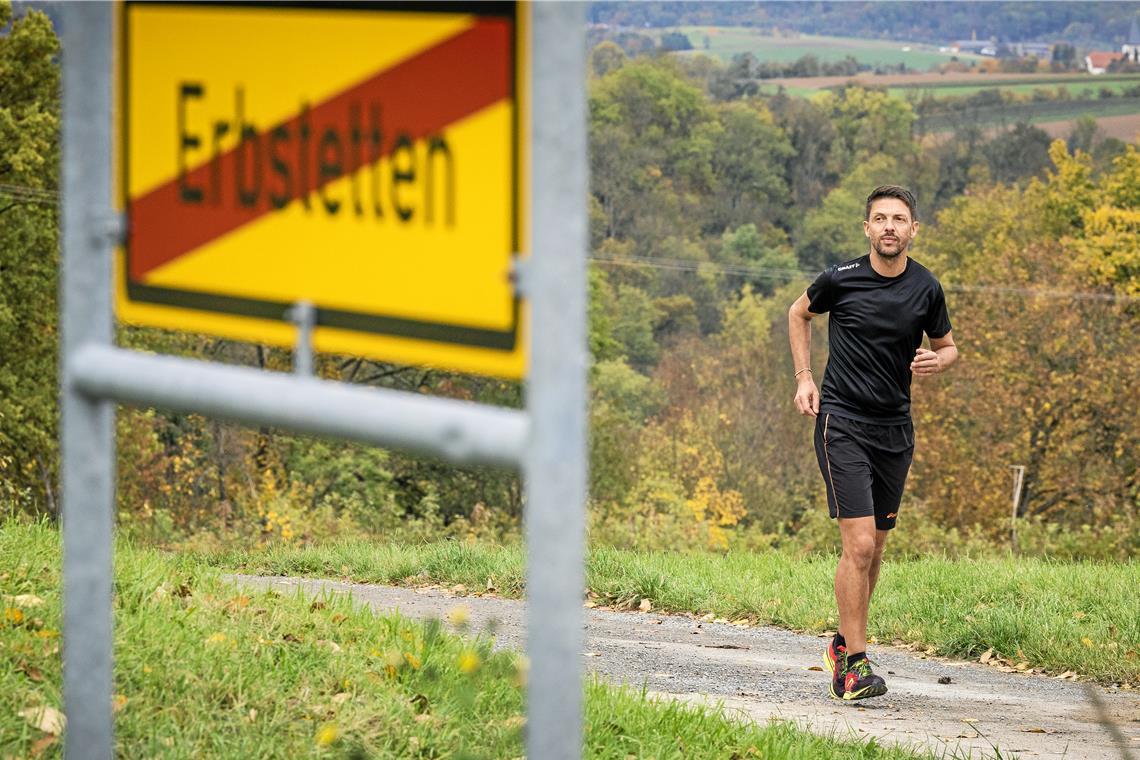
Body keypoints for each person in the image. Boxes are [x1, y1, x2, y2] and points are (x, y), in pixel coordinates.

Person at [787, 185, 958, 701]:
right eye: (880, 218)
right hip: (842, 420)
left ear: (912, 230)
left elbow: (948, 347)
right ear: (867, 228)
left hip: (894, 430)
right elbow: (798, 314)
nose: (889, 227)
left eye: (898, 219)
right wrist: (803, 377)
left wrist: (938, 360)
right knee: (858, 544)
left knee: (876, 549)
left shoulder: (927, 288)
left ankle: (843, 642)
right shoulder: (839, 280)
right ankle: (855, 667)